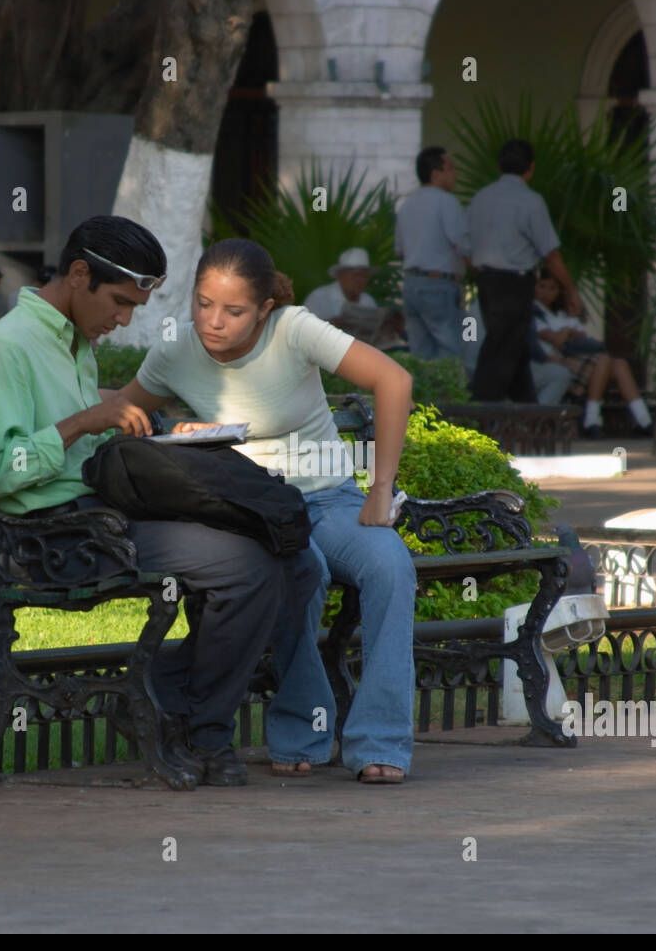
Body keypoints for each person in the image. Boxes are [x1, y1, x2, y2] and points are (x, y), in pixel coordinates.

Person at [0, 216, 322, 786]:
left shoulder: (73, 341)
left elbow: (88, 446)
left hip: (106, 514)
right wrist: (86, 421)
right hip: (59, 537)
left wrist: (159, 438)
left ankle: (159, 696)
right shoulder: (8, 348)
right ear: (79, 274)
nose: (124, 319)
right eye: (120, 302)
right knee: (247, 567)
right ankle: (203, 731)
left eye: (135, 307)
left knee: (293, 558)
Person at [120, 238, 418, 784]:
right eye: (203, 303)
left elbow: (393, 379)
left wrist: (381, 487)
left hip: (332, 500)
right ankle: (303, 728)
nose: (214, 322)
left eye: (234, 311)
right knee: (303, 573)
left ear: (264, 309)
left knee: (392, 568)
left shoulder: (295, 329)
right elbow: (123, 409)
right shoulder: (174, 353)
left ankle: (380, 741)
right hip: (260, 511)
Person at [466, 138, 581, 401]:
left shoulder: (481, 197)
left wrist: (481, 275)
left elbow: (465, 247)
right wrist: (570, 289)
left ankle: (525, 407)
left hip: (485, 280)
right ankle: (480, 412)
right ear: (531, 168)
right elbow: (550, 253)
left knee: (513, 344)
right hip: (515, 283)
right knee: (501, 346)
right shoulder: (531, 201)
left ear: (499, 166)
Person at [531, 271, 653, 437]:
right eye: (542, 286)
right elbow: (555, 340)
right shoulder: (534, 312)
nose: (546, 292)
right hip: (556, 362)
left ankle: (643, 421)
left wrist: (565, 333)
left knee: (619, 364)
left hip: (581, 361)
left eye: (552, 288)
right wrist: (568, 331)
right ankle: (591, 419)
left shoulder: (564, 313)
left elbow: (581, 337)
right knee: (604, 360)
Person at [396, 146, 471, 361]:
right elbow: (462, 245)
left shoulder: (406, 205)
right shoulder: (447, 201)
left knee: (420, 353)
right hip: (439, 285)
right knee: (451, 350)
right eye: (451, 168)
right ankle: (447, 396)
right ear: (436, 173)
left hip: (411, 283)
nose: (455, 173)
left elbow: (400, 251)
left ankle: (423, 395)